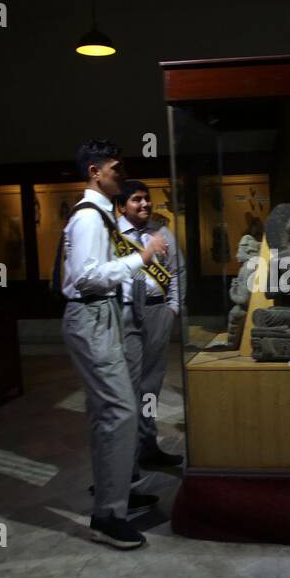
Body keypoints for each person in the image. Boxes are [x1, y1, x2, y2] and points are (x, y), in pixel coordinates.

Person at [55, 140, 167, 550]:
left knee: (110, 412)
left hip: (101, 316)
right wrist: (143, 257)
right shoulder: (88, 219)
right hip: (91, 315)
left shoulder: (99, 216)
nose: (121, 174)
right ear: (94, 172)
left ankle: (117, 494)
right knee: (119, 411)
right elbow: (86, 278)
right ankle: (108, 514)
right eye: (116, 169)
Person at [115, 180, 185, 469]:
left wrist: (173, 307)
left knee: (151, 386)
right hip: (126, 313)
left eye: (146, 199)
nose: (144, 204)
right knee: (127, 387)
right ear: (121, 206)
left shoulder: (162, 231)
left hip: (157, 313)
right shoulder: (112, 236)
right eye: (136, 200)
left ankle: (148, 445)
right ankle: (124, 460)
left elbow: (177, 271)